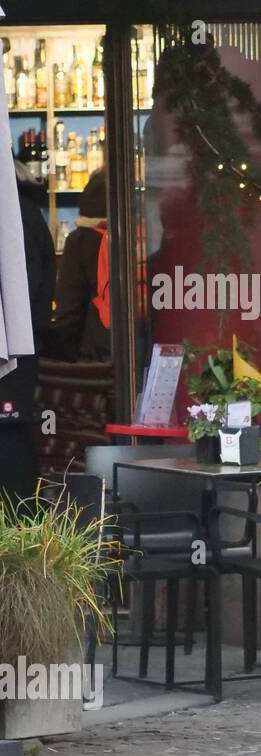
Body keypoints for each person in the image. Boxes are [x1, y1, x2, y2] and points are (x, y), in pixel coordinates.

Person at [0, 162, 56, 504]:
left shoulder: (15, 218)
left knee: (12, 446)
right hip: (20, 354)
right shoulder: (29, 215)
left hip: (13, 356)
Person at [50, 168, 110, 362]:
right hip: (137, 349)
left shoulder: (80, 241)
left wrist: (66, 358)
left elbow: (69, 308)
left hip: (93, 355)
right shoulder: (137, 237)